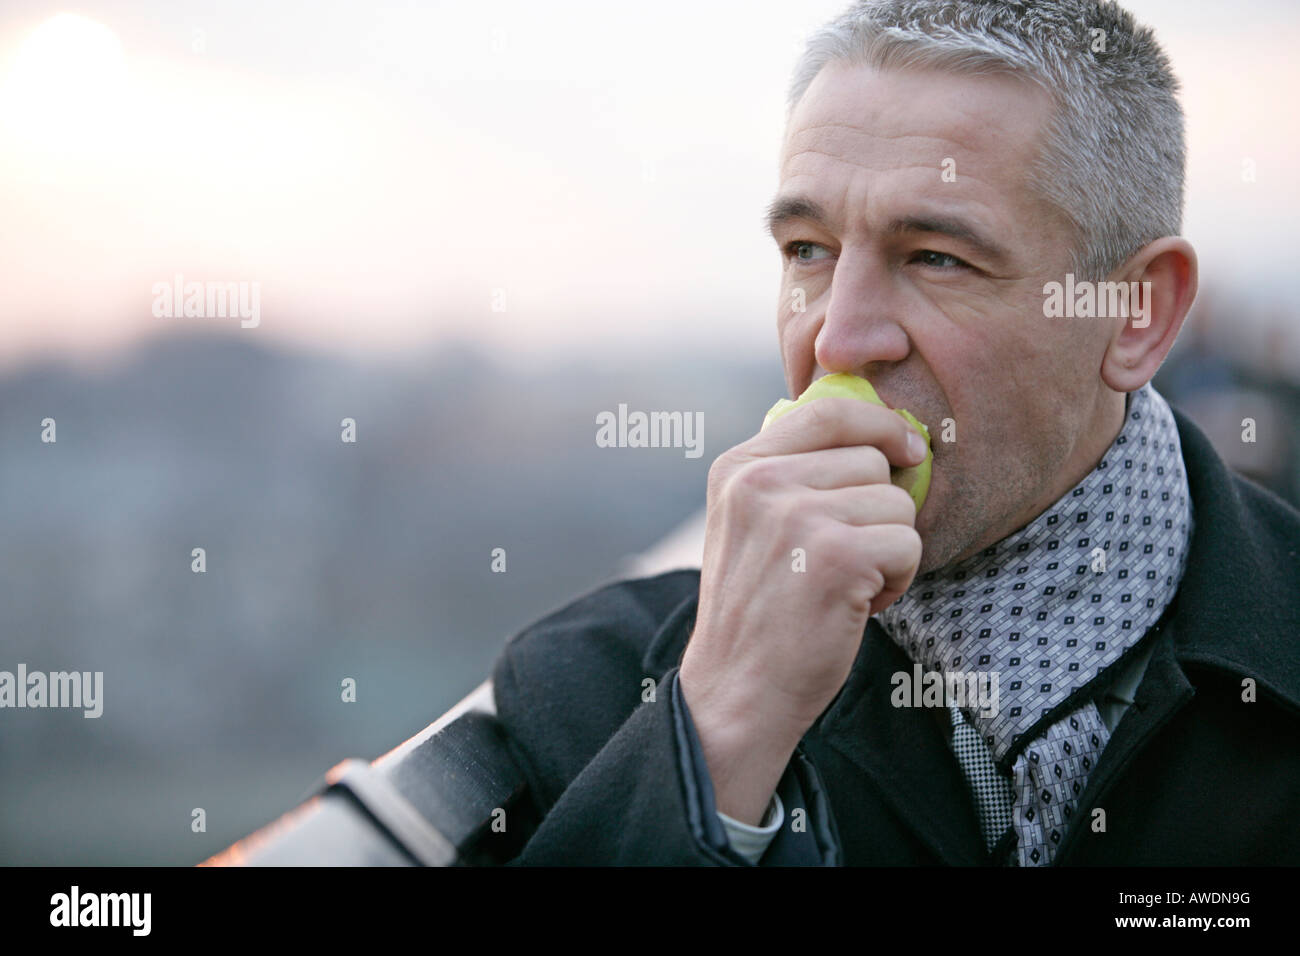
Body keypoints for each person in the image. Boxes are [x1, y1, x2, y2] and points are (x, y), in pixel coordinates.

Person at [489, 0, 1300, 865]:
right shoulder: (593, 686)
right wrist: (722, 728)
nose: (838, 338)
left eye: (935, 258)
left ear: (1137, 312)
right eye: (808, 249)